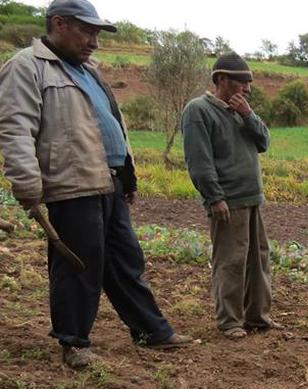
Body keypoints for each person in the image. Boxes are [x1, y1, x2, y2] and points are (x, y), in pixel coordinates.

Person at [0, 0, 191, 369]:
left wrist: (128, 173)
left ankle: (152, 331)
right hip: (72, 182)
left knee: (125, 260)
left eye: (97, 34)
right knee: (78, 264)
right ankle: (73, 341)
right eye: (87, 31)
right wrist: (27, 185)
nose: (94, 42)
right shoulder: (27, 67)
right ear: (58, 23)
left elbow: (113, 124)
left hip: (109, 181)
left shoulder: (90, 70)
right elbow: (15, 129)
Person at [182, 53, 275, 340]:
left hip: (252, 198)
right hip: (227, 200)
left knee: (258, 260)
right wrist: (215, 197)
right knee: (231, 262)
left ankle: (258, 318)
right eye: (241, 82)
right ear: (221, 79)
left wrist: (249, 114)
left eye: (249, 83)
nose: (247, 88)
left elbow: (264, 142)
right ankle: (230, 321)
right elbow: (199, 161)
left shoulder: (243, 111)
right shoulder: (198, 110)